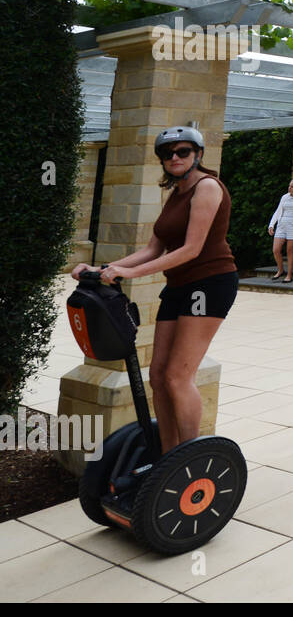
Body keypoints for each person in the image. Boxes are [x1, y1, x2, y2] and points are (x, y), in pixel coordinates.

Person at [71, 126, 239, 454]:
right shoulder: (175, 193)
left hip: (209, 284)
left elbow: (191, 249)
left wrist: (129, 272)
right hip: (178, 286)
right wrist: (103, 268)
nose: (174, 158)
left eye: (182, 152)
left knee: (178, 376)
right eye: (167, 153)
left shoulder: (207, 187)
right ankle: (167, 453)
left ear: (198, 155)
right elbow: (152, 250)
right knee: (158, 375)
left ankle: (189, 456)